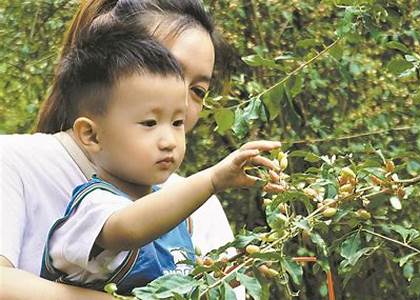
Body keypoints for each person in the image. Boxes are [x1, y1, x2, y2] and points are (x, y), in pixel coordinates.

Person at [0, 1, 255, 298]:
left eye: (198, 90)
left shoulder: (201, 202)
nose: (182, 102)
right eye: (165, 67)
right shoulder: (14, 162)